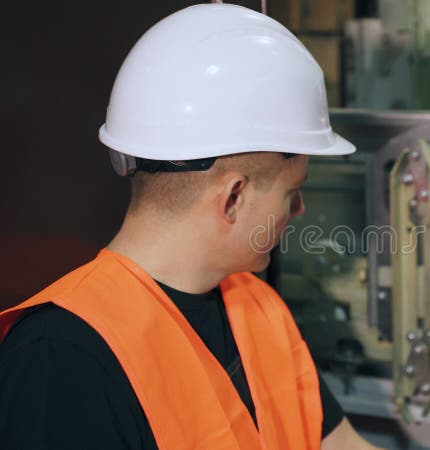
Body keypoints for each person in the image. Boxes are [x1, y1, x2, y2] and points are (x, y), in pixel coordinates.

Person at [0, 4, 382, 449]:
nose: (299, 210)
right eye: (291, 192)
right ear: (233, 197)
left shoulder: (257, 307)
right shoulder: (61, 355)